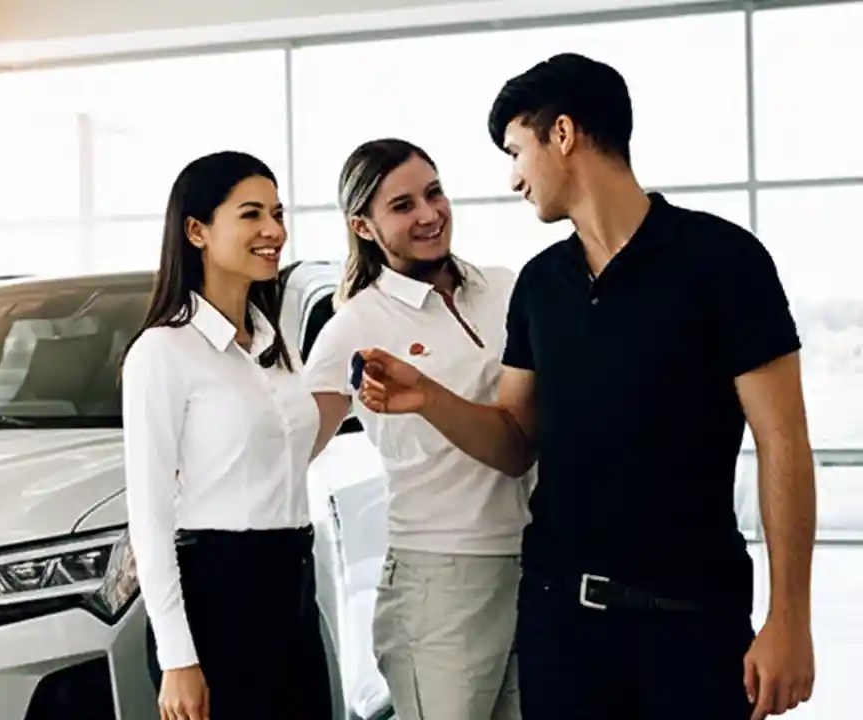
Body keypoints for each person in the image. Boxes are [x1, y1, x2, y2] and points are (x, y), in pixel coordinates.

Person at [353, 53, 816, 720]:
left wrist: (789, 618)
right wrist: (427, 396)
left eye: (517, 151)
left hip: (692, 623)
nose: (513, 177)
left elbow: (783, 439)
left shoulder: (724, 261)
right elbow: (516, 440)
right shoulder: (540, 285)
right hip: (559, 629)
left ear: (562, 134)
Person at [303, 138, 530, 720]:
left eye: (434, 193)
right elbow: (295, 445)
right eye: (402, 206)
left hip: (535, 562)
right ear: (364, 226)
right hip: (441, 578)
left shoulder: (504, 287)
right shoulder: (356, 324)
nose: (429, 214)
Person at [121, 150, 331, 720]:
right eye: (251, 214)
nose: (273, 230)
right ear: (196, 231)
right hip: (218, 598)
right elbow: (150, 518)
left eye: (278, 213)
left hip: (293, 588)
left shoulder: (273, 344)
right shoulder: (163, 353)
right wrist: (178, 659)